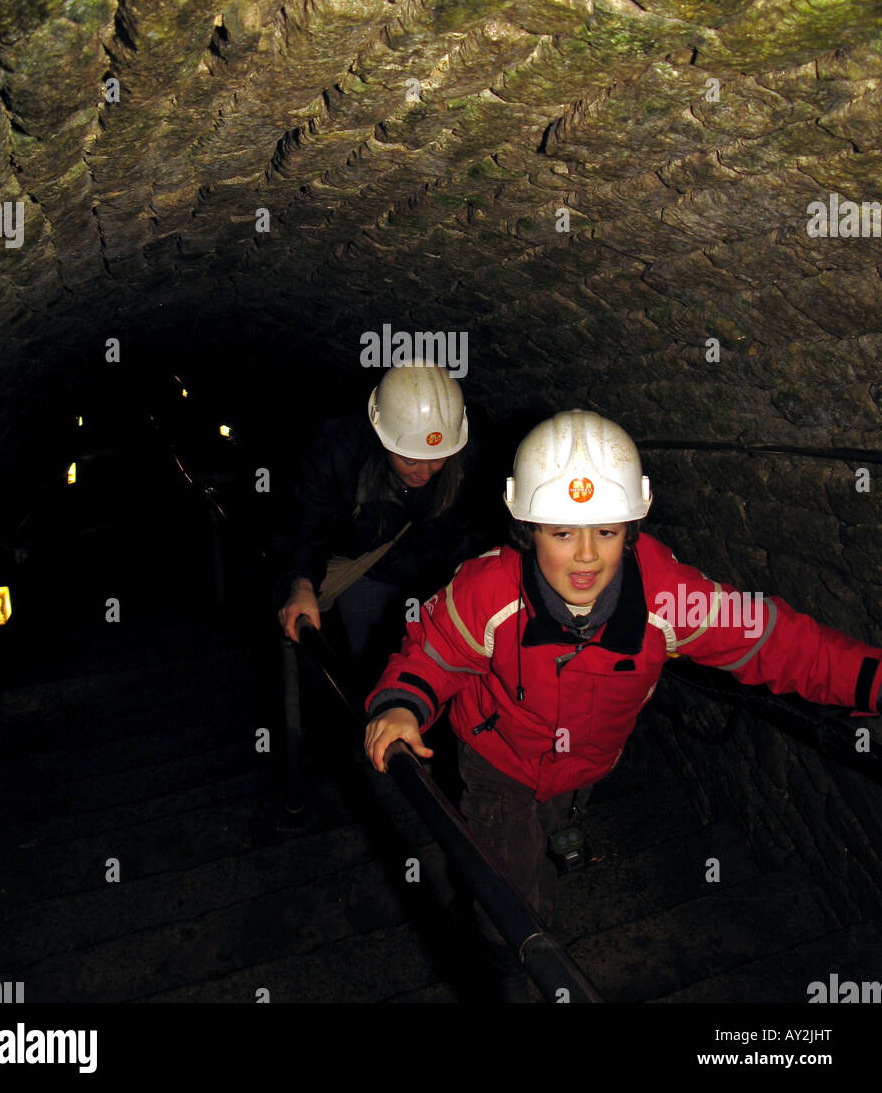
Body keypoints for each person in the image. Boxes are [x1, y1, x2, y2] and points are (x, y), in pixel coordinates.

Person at [364, 409, 882, 998]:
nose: (585, 556)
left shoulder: (668, 600)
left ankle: (547, 856)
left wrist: (873, 682)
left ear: (632, 527)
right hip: (497, 764)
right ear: (526, 527)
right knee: (514, 902)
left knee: (548, 831)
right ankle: (513, 973)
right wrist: (403, 704)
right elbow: (433, 648)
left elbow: (775, 642)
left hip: (581, 770)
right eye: (562, 533)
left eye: (606, 531)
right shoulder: (487, 592)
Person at [275, 364, 477, 679]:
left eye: (437, 459)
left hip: (429, 571)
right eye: (410, 459)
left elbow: (460, 535)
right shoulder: (338, 449)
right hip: (368, 568)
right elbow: (309, 522)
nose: (424, 473)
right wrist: (302, 584)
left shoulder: (466, 456)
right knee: (373, 664)